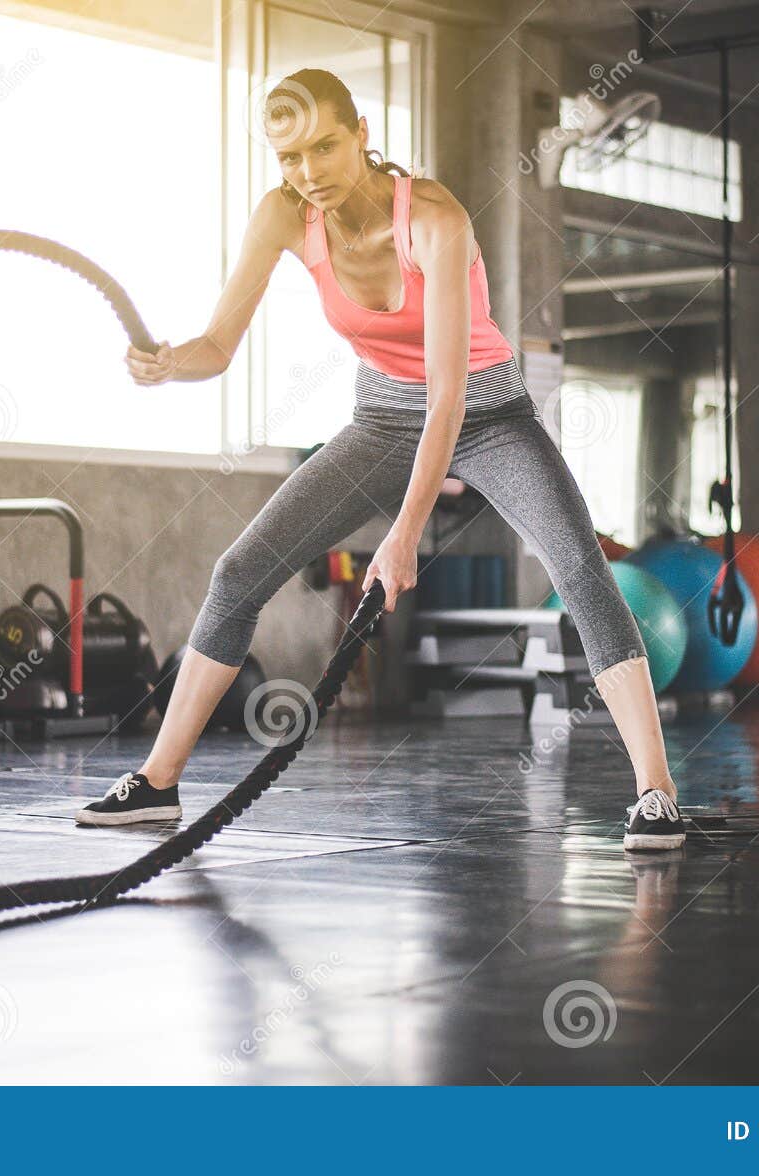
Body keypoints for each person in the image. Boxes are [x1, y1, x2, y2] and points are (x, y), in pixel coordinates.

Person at [76, 68, 685, 852]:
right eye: (289, 156)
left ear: (361, 133)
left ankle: (657, 794)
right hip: (380, 420)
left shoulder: (433, 218)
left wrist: (404, 534)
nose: (308, 171)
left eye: (324, 147)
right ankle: (156, 784)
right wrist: (170, 362)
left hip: (488, 415)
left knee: (580, 569)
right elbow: (217, 348)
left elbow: (449, 399)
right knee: (238, 573)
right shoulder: (283, 215)